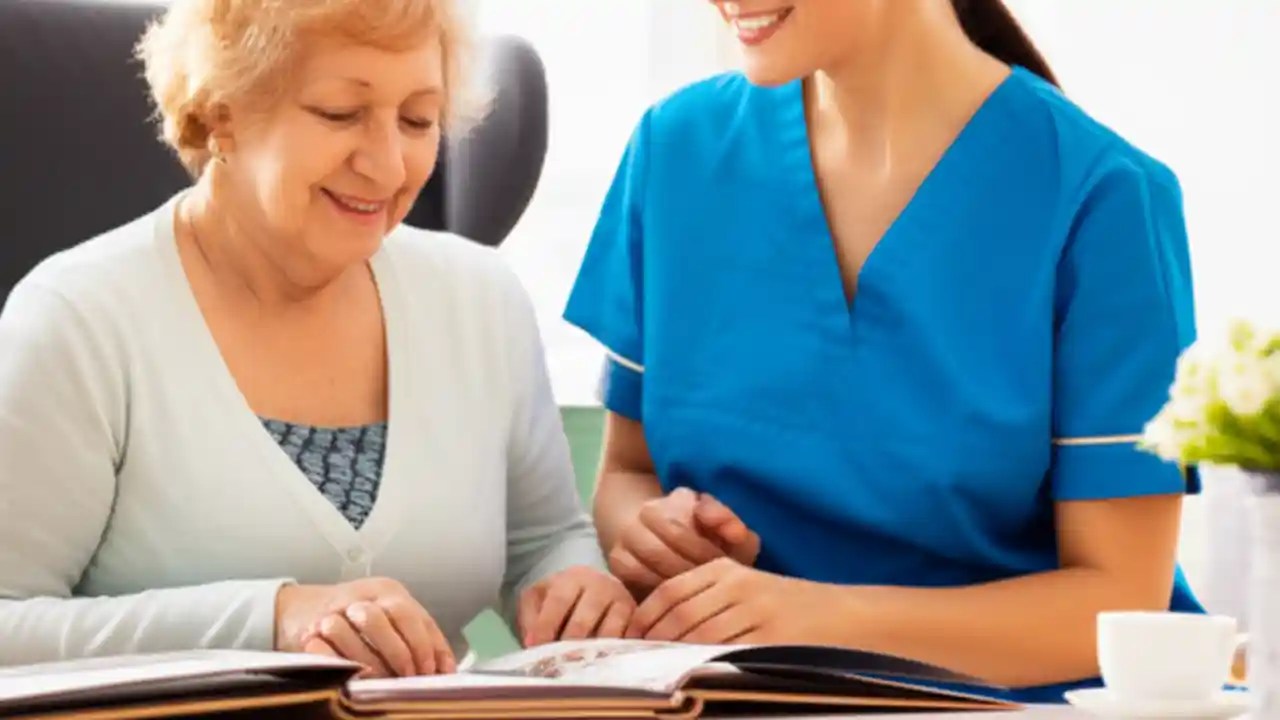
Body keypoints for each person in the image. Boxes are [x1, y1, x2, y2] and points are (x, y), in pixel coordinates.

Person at [564, 0, 1202, 704]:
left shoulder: (1104, 198)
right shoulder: (675, 150)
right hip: (724, 699)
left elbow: (1121, 603)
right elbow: (628, 475)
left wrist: (819, 619)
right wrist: (659, 536)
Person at [0, 0, 632, 676]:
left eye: (418, 120)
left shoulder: (483, 299)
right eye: (340, 113)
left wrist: (573, 589)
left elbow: (544, 543)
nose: (390, 167)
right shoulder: (78, 318)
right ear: (223, 112)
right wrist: (274, 617)